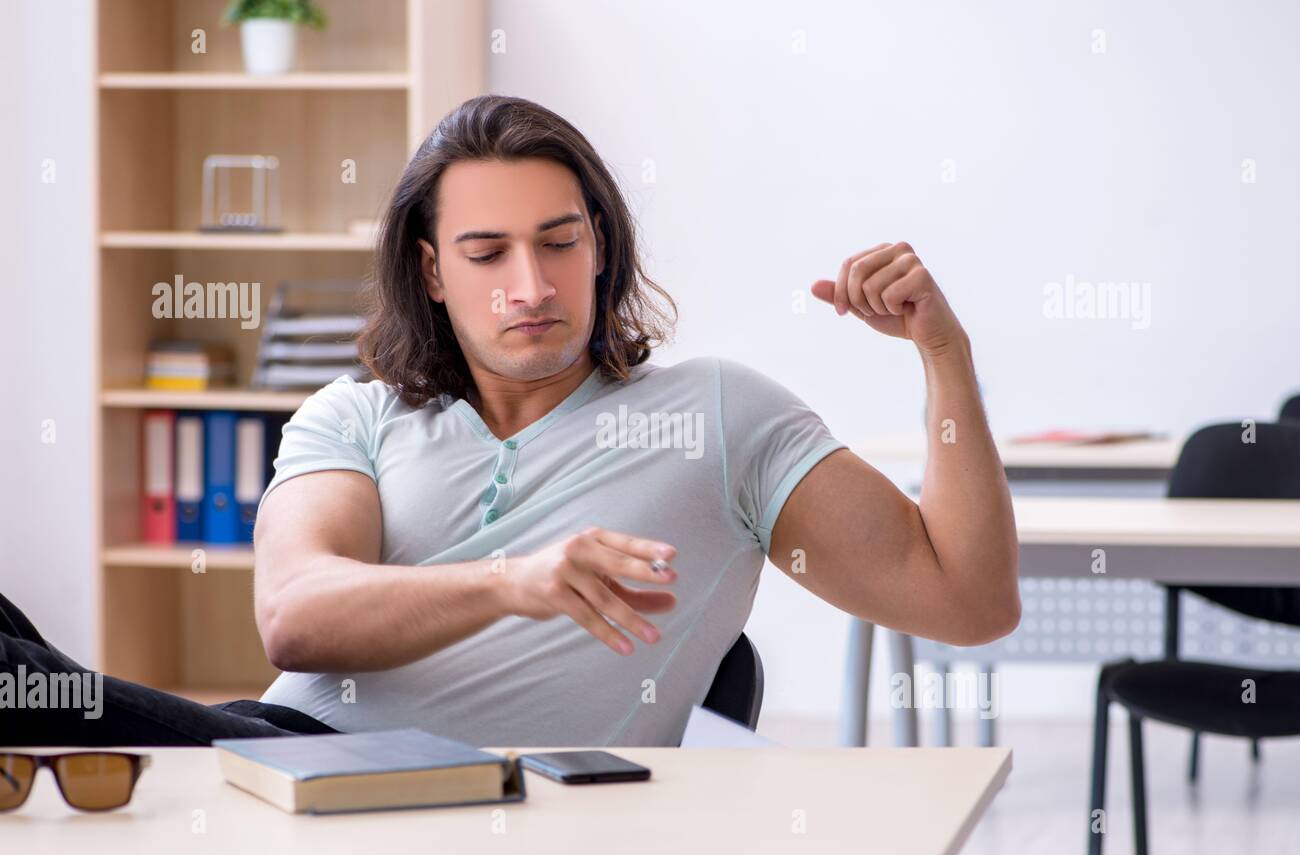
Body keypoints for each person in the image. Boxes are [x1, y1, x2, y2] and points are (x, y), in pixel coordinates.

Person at [2, 94, 1019, 748]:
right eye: (486, 253)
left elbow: (967, 604)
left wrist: (944, 356)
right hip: (283, 760)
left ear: (601, 249)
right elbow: (296, 617)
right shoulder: (351, 415)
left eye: (558, 242)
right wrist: (514, 582)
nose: (530, 285)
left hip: (484, 812)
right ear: (432, 271)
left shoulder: (722, 413)